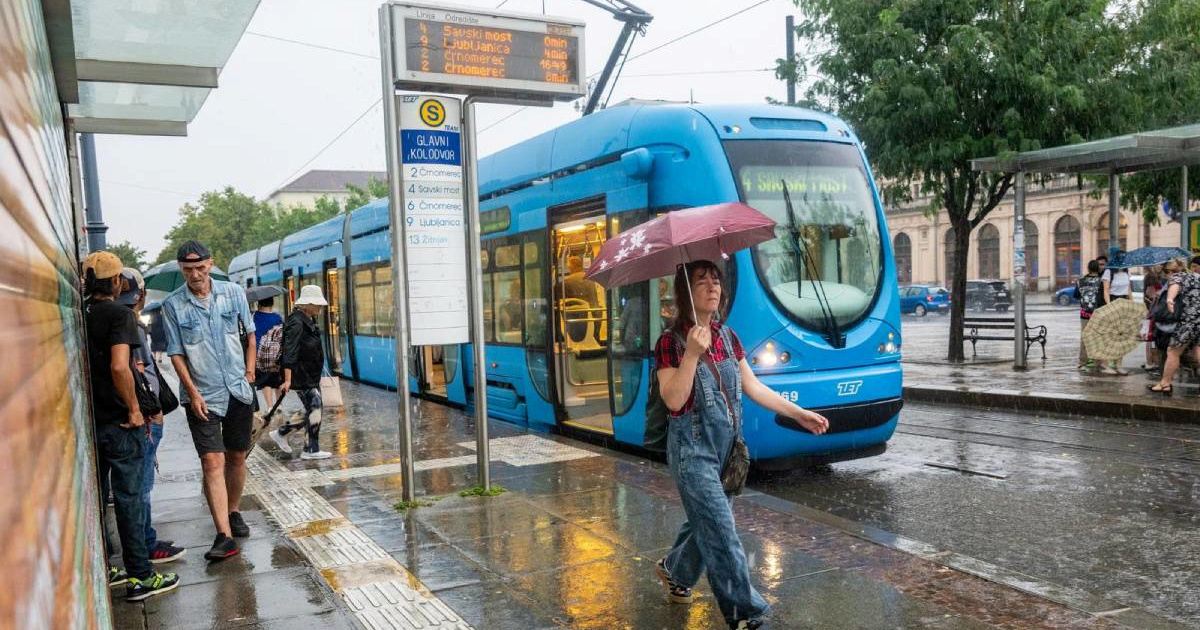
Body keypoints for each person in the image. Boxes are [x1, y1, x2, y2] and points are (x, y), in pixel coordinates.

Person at [653, 260, 830, 630]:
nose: (712, 286)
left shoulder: (728, 337)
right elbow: (673, 399)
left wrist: (798, 414)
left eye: (715, 280)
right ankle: (746, 614)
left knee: (707, 526)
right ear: (685, 292)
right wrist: (691, 355)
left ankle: (675, 571)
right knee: (720, 531)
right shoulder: (671, 342)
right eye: (701, 281)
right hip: (692, 452)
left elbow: (753, 387)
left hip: (729, 452)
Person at [83, 252, 180, 601]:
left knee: (98, 498)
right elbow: (120, 367)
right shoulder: (119, 316)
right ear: (118, 283)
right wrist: (135, 408)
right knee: (130, 500)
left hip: (92, 421)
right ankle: (141, 576)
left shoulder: (83, 312)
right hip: (121, 423)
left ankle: (108, 566)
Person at [161, 241, 256, 561]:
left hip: (237, 390)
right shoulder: (173, 305)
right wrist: (193, 392)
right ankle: (223, 536)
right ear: (181, 269)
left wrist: (251, 370)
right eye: (188, 270)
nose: (196, 275)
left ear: (210, 264)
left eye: (201, 268)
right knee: (211, 461)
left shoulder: (234, 293)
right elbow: (175, 352)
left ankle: (233, 510)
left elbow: (250, 333)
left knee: (237, 457)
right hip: (201, 396)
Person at [118, 268, 187, 564]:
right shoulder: (127, 326)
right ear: (140, 295)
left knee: (141, 484)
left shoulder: (126, 323)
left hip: (141, 416)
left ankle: (147, 538)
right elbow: (133, 371)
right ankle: (146, 548)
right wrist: (150, 411)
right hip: (144, 418)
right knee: (142, 485)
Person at [270, 285, 332, 459]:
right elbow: (290, 351)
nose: (320, 307)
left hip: (309, 374)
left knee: (311, 408)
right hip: (301, 374)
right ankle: (307, 447)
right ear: (308, 304)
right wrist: (288, 380)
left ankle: (299, 442)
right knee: (315, 406)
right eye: (317, 304)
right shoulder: (296, 322)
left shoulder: (307, 318)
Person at [1148, 258, 1200, 394]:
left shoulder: (1177, 276)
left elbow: (1174, 287)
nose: (1166, 276)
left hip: (1188, 321)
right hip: (1198, 320)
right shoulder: (1195, 276)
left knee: (1172, 352)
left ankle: (1165, 383)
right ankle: (1165, 383)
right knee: (1197, 352)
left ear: (1170, 271)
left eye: (1166, 272)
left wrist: (1169, 299)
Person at [1099, 259, 1131, 375]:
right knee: (1110, 336)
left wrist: (1131, 303)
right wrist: (1109, 306)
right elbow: (1106, 290)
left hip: (1124, 303)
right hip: (1112, 301)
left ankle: (1119, 365)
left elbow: (1129, 289)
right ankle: (1106, 365)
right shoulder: (1109, 272)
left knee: (1122, 336)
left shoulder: (1127, 271)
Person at [253, 297, 284, 409]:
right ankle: (278, 406)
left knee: (265, 382)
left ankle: (270, 406)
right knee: (277, 381)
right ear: (272, 304)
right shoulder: (277, 317)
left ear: (258, 304)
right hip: (275, 355)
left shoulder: (254, 317)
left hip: (259, 355)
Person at [1074, 260, 1103, 372]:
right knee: (1098, 337)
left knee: (1084, 337)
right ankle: (1097, 361)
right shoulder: (1101, 281)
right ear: (1098, 269)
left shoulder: (1080, 281)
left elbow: (1076, 295)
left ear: (1088, 269)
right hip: (1098, 313)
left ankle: (1083, 362)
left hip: (1084, 313)